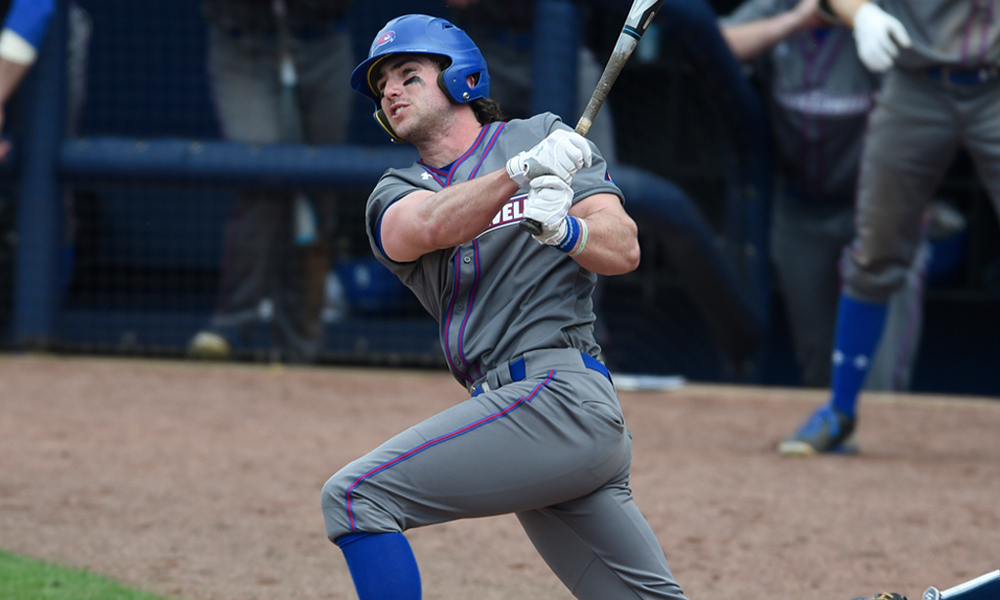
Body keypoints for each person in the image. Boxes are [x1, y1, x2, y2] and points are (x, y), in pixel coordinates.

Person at [321, 14, 689, 600]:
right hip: (514, 412)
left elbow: (623, 249)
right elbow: (433, 223)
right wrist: (520, 176)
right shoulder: (395, 190)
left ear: (460, 77)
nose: (389, 90)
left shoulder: (543, 135)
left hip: (562, 393)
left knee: (356, 495)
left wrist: (566, 230)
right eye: (381, 83)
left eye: (408, 74)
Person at [444, 0, 763, 373]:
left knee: (593, 192)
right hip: (484, 56)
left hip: (563, 56)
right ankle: (478, 329)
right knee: (461, 180)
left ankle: (576, 331)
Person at [777, 0, 999, 456]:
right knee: (877, 249)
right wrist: (862, 15)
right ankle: (840, 412)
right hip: (917, 84)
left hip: (994, 85)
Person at [718, 0, 930, 399]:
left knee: (880, 381)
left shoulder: (884, 12)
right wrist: (796, 19)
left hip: (877, 212)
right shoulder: (781, 5)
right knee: (819, 370)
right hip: (801, 209)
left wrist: (859, 16)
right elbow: (718, 42)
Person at [187, 0, 354, 363]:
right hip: (244, 43)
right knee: (263, 176)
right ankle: (232, 323)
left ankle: (301, 341)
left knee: (319, 187)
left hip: (322, 42)